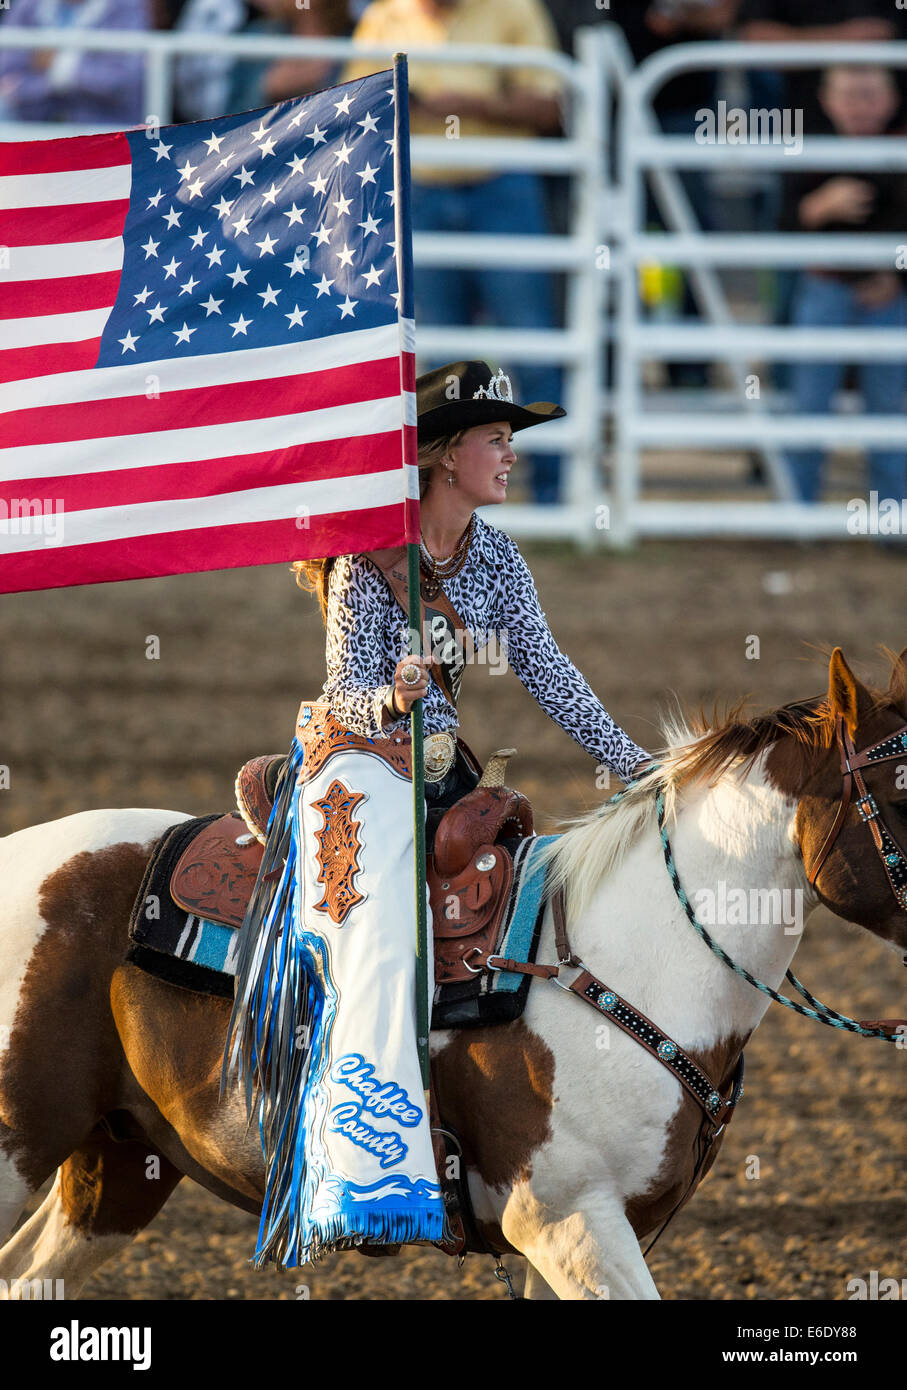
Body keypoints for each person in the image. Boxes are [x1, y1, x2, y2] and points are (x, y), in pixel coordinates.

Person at [225, 360, 651, 1266]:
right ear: (446, 455)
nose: (511, 457)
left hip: (439, 768)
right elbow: (343, 690)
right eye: (497, 440)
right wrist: (391, 695)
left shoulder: (495, 557)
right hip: (359, 763)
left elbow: (547, 670)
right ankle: (366, 1151)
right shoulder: (366, 555)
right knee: (380, 930)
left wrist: (631, 762)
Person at [342, 0, 568, 504]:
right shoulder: (386, 14)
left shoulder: (511, 9)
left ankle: (550, 493)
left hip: (492, 187)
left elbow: (551, 103)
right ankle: (452, 493)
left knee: (529, 345)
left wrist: (458, 104)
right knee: (444, 359)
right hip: (431, 188)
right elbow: (358, 104)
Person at [781, 66, 907, 505]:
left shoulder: (898, 147)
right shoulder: (808, 148)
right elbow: (776, 229)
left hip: (889, 294)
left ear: (892, 100)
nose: (859, 107)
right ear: (828, 100)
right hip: (825, 286)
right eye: (849, 95)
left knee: (889, 407)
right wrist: (816, 209)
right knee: (809, 404)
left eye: (870, 95)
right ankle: (797, 513)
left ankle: (891, 515)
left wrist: (894, 276)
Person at [0, 0, 152, 127]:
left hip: (105, 132)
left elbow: (123, 82)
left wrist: (59, 65)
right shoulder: (28, 6)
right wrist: (80, 78)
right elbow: (8, 77)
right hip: (33, 125)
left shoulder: (127, 8)